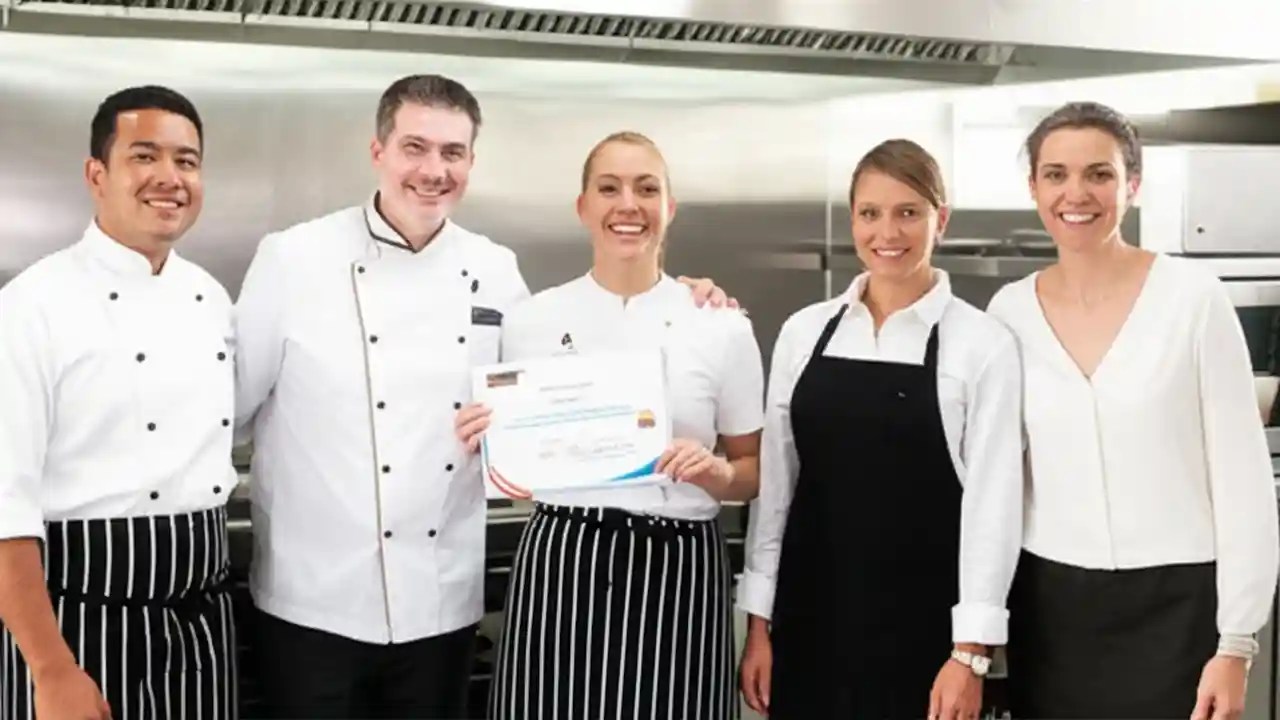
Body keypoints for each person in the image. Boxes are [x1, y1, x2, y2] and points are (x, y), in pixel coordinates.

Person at [233, 76, 732, 718]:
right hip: (311, 602)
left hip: (440, 602)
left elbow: (555, 384)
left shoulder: (495, 269)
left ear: (470, 162)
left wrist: (684, 295)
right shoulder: (293, 258)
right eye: (416, 147)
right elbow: (234, 413)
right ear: (378, 150)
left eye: (453, 152)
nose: (433, 170)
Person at [454, 130, 764, 720]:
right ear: (583, 207)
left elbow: (755, 471)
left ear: (669, 209)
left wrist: (717, 472)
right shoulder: (530, 321)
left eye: (647, 189)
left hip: (681, 566)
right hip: (564, 556)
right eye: (609, 188)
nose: (629, 204)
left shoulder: (720, 325)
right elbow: (509, 455)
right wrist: (483, 440)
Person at [987, 101, 1280, 720]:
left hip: (1178, 605)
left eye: (1099, 174)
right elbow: (997, 482)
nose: (1077, 193)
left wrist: (1237, 642)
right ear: (1034, 186)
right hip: (1051, 605)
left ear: (1132, 186)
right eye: (1056, 174)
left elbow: (1243, 478)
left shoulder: (1193, 300)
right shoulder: (1008, 313)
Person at [736, 139, 1025, 719]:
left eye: (908, 212)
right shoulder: (804, 332)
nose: (887, 232)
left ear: (940, 220)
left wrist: (970, 656)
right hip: (809, 620)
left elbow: (993, 508)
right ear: (853, 221)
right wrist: (759, 627)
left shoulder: (982, 344)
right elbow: (776, 496)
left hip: (926, 636)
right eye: (870, 213)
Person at [0, 86, 239, 720]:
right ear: (96, 174)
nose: (170, 178)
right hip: (79, 622)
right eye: (145, 156)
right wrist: (51, 670)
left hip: (200, 620)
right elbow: (4, 510)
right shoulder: (31, 307)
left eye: (187, 161)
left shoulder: (211, 297)